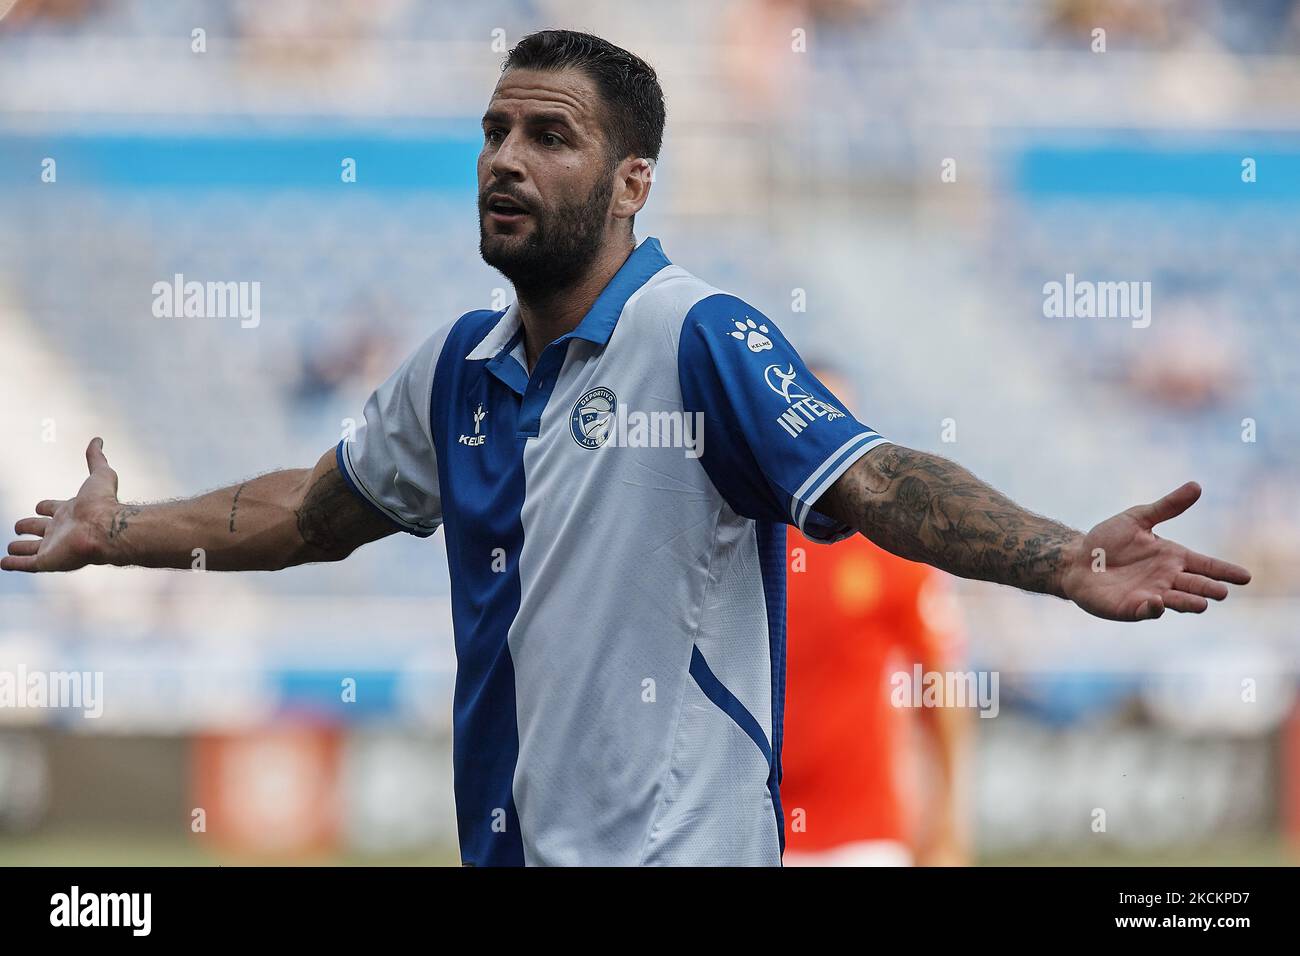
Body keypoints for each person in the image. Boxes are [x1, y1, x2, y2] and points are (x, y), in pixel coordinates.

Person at [3, 30, 1251, 867]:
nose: (505, 158)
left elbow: (873, 475)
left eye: (549, 137)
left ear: (632, 181)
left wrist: (1056, 556)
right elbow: (313, 510)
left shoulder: (697, 335)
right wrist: (117, 532)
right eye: (494, 131)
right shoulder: (453, 369)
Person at [782, 366, 968, 867]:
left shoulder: (891, 547)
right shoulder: (737, 538)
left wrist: (947, 821)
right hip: (750, 833)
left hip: (862, 837)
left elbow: (938, 682)